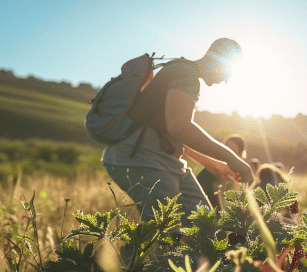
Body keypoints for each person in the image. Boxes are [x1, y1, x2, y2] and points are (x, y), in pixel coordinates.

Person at [102, 38, 254, 228]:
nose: (226, 80)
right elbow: (180, 126)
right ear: (218, 60)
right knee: (167, 234)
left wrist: (213, 163)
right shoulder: (185, 73)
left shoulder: (183, 72)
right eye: (228, 73)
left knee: (205, 226)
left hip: (167, 161)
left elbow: (173, 132)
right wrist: (232, 159)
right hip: (140, 158)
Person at [196, 134, 247, 209]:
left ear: (239, 155)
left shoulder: (241, 177)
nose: (226, 153)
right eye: (224, 149)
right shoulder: (208, 172)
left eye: (231, 150)